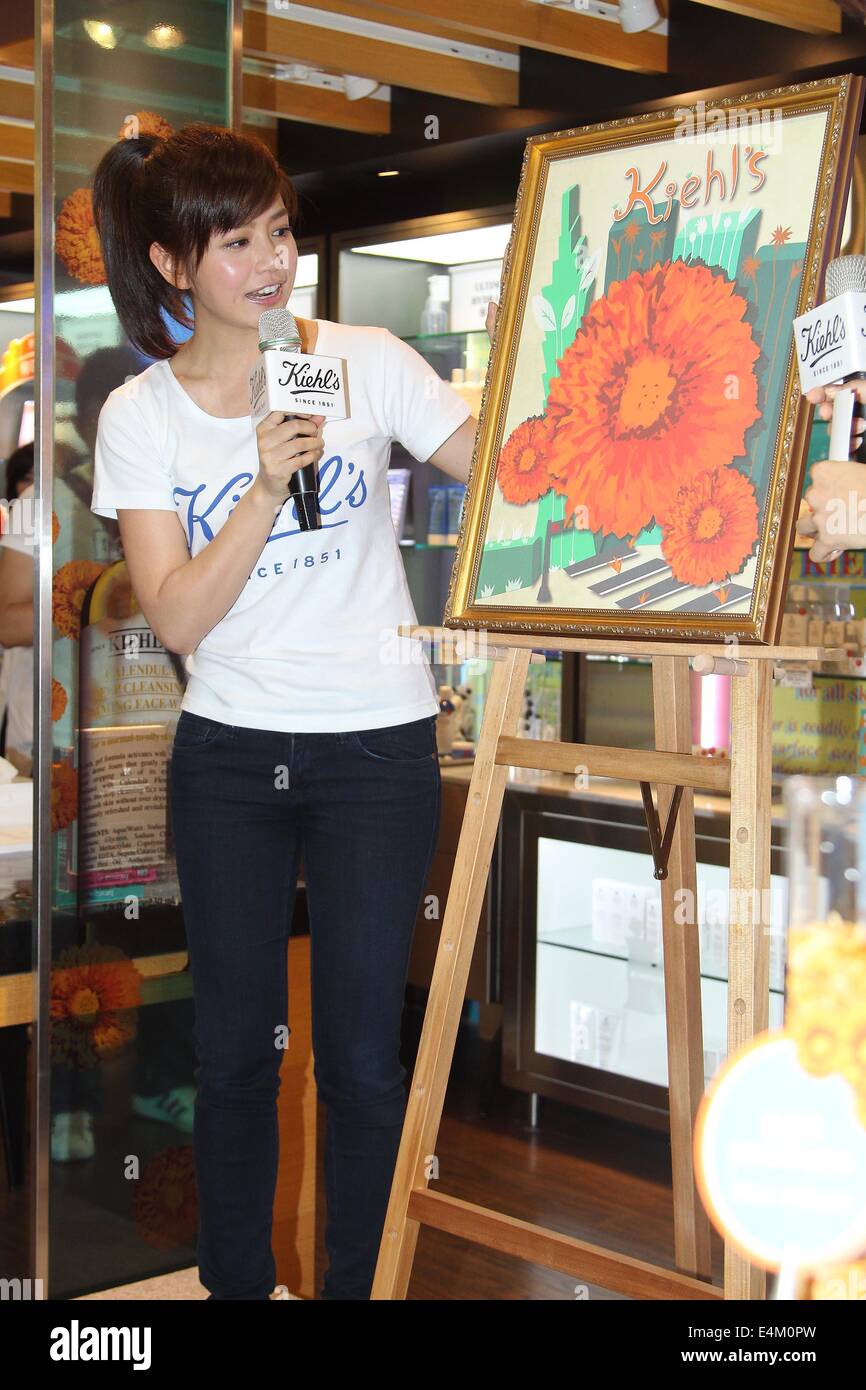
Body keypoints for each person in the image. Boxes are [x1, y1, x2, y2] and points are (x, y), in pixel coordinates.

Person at [90, 121, 483, 1301]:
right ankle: (238, 1291)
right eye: (237, 243)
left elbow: (504, 474)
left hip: (376, 743)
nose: (271, 265)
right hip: (229, 757)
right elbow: (175, 620)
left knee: (363, 1061)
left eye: (279, 234)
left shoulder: (365, 358)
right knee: (234, 1061)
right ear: (171, 264)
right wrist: (263, 485)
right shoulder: (143, 415)